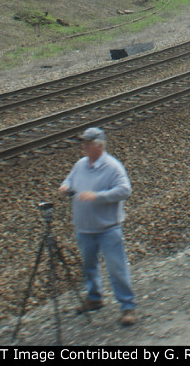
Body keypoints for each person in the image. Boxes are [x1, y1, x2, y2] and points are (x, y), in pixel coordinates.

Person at [58, 127, 137, 326]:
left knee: (116, 268)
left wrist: (98, 196)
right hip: (84, 228)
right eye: (83, 143)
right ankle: (94, 298)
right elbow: (70, 179)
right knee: (89, 266)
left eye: (87, 143)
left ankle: (127, 307)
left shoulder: (112, 167)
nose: (83, 146)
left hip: (108, 228)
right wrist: (66, 186)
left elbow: (125, 190)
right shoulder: (80, 165)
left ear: (99, 146)